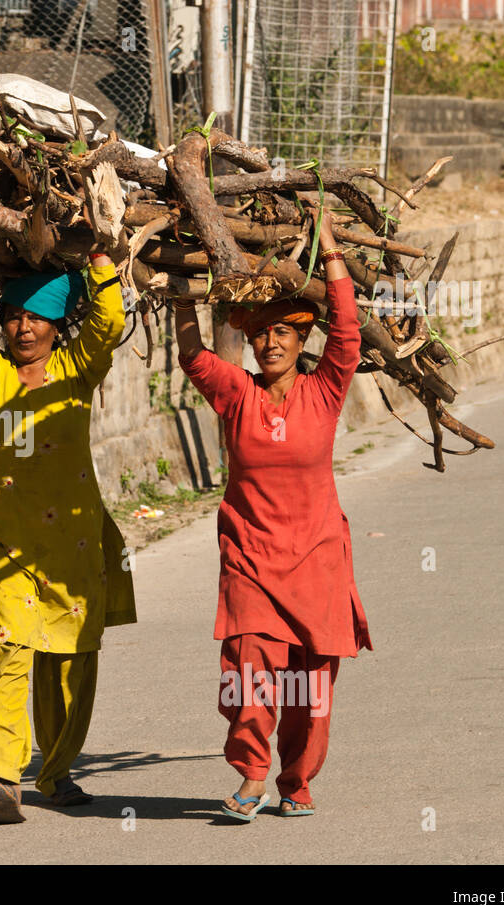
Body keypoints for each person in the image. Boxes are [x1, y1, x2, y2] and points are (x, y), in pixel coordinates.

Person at [0, 227, 136, 823]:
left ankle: (56, 769)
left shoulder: (77, 372)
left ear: (56, 323)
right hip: (0, 542)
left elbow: (105, 324)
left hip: (71, 547)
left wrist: (100, 259)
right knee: (10, 647)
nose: (23, 329)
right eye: (15, 317)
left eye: (37, 318)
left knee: (69, 660)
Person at [173, 209, 370, 823]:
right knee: (249, 672)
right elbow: (191, 355)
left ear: (301, 339)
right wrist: (180, 282)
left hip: (317, 560)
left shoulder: (326, 391)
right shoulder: (237, 393)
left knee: (309, 689)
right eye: (263, 333)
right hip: (252, 561)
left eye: (286, 330)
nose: (274, 341)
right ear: (252, 341)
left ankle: (298, 780)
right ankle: (251, 775)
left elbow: (349, 333)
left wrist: (330, 247)